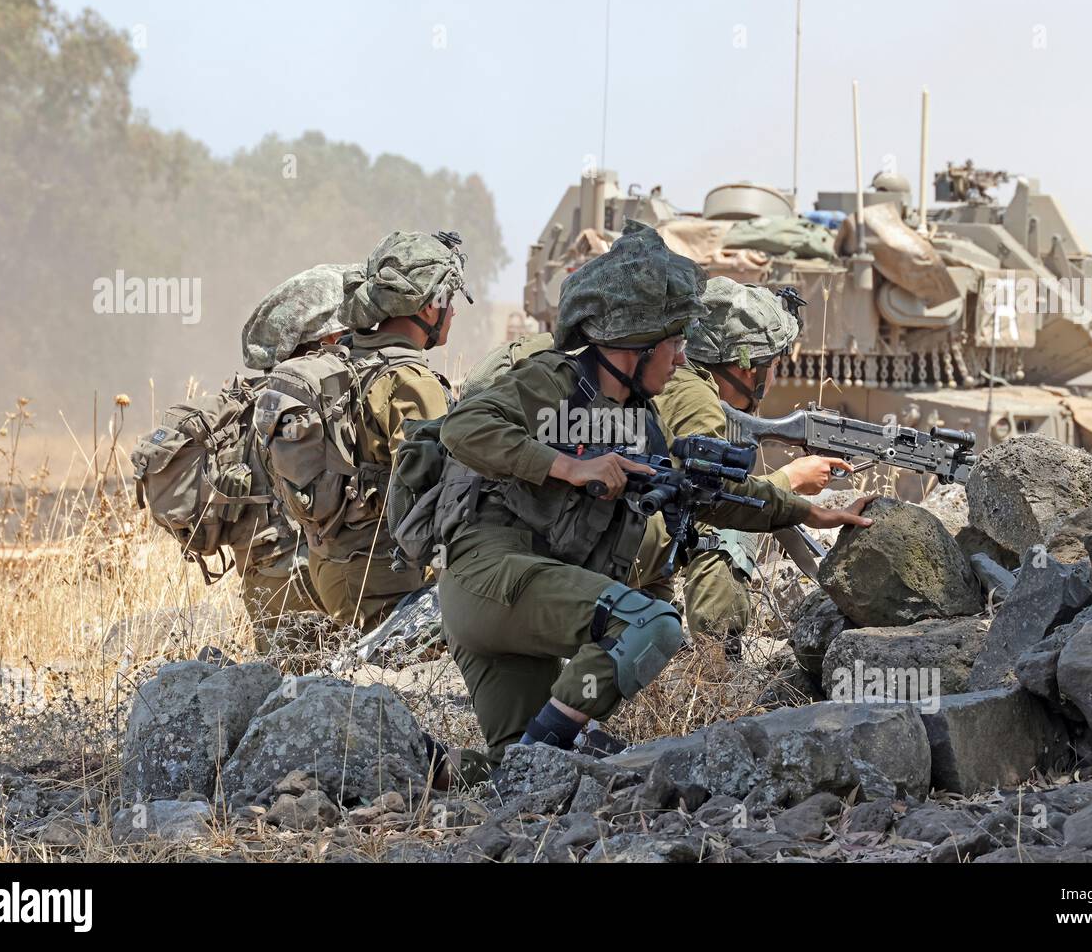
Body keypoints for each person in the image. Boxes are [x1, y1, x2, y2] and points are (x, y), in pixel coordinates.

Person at [434, 222, 875, 771]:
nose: (683, 359)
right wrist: (571, 467)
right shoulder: (556, 381)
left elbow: (703, 496)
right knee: (651, 623)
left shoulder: (639, 422)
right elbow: (464, 428)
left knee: (524, 772)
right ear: (634, 348)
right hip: (490, 581)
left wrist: (811, 509)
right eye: (674, 344)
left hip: (518, 610)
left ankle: (435, 765)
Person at [639, 276, 849, 658]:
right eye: (773, 365)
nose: (774, 377)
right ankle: (716, 667)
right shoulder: (696, 400)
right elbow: (715, 499)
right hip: (616, 548)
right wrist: (792, 479)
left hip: (607, 546)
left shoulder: (674, 378)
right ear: (747, 367)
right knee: (728, 526)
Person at [303, 231, 469, 632]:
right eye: (450, 299)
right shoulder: (412, 382)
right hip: (381, 581)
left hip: (330, 566)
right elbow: (440, 499)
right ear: (430, 307)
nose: (454, 313)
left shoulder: (344, 358)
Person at [235, 263, 351, 652]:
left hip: (267, 583)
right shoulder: (317, 402)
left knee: (281, 701)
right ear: (328, 335)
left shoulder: (259, 400)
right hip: (310, 580)